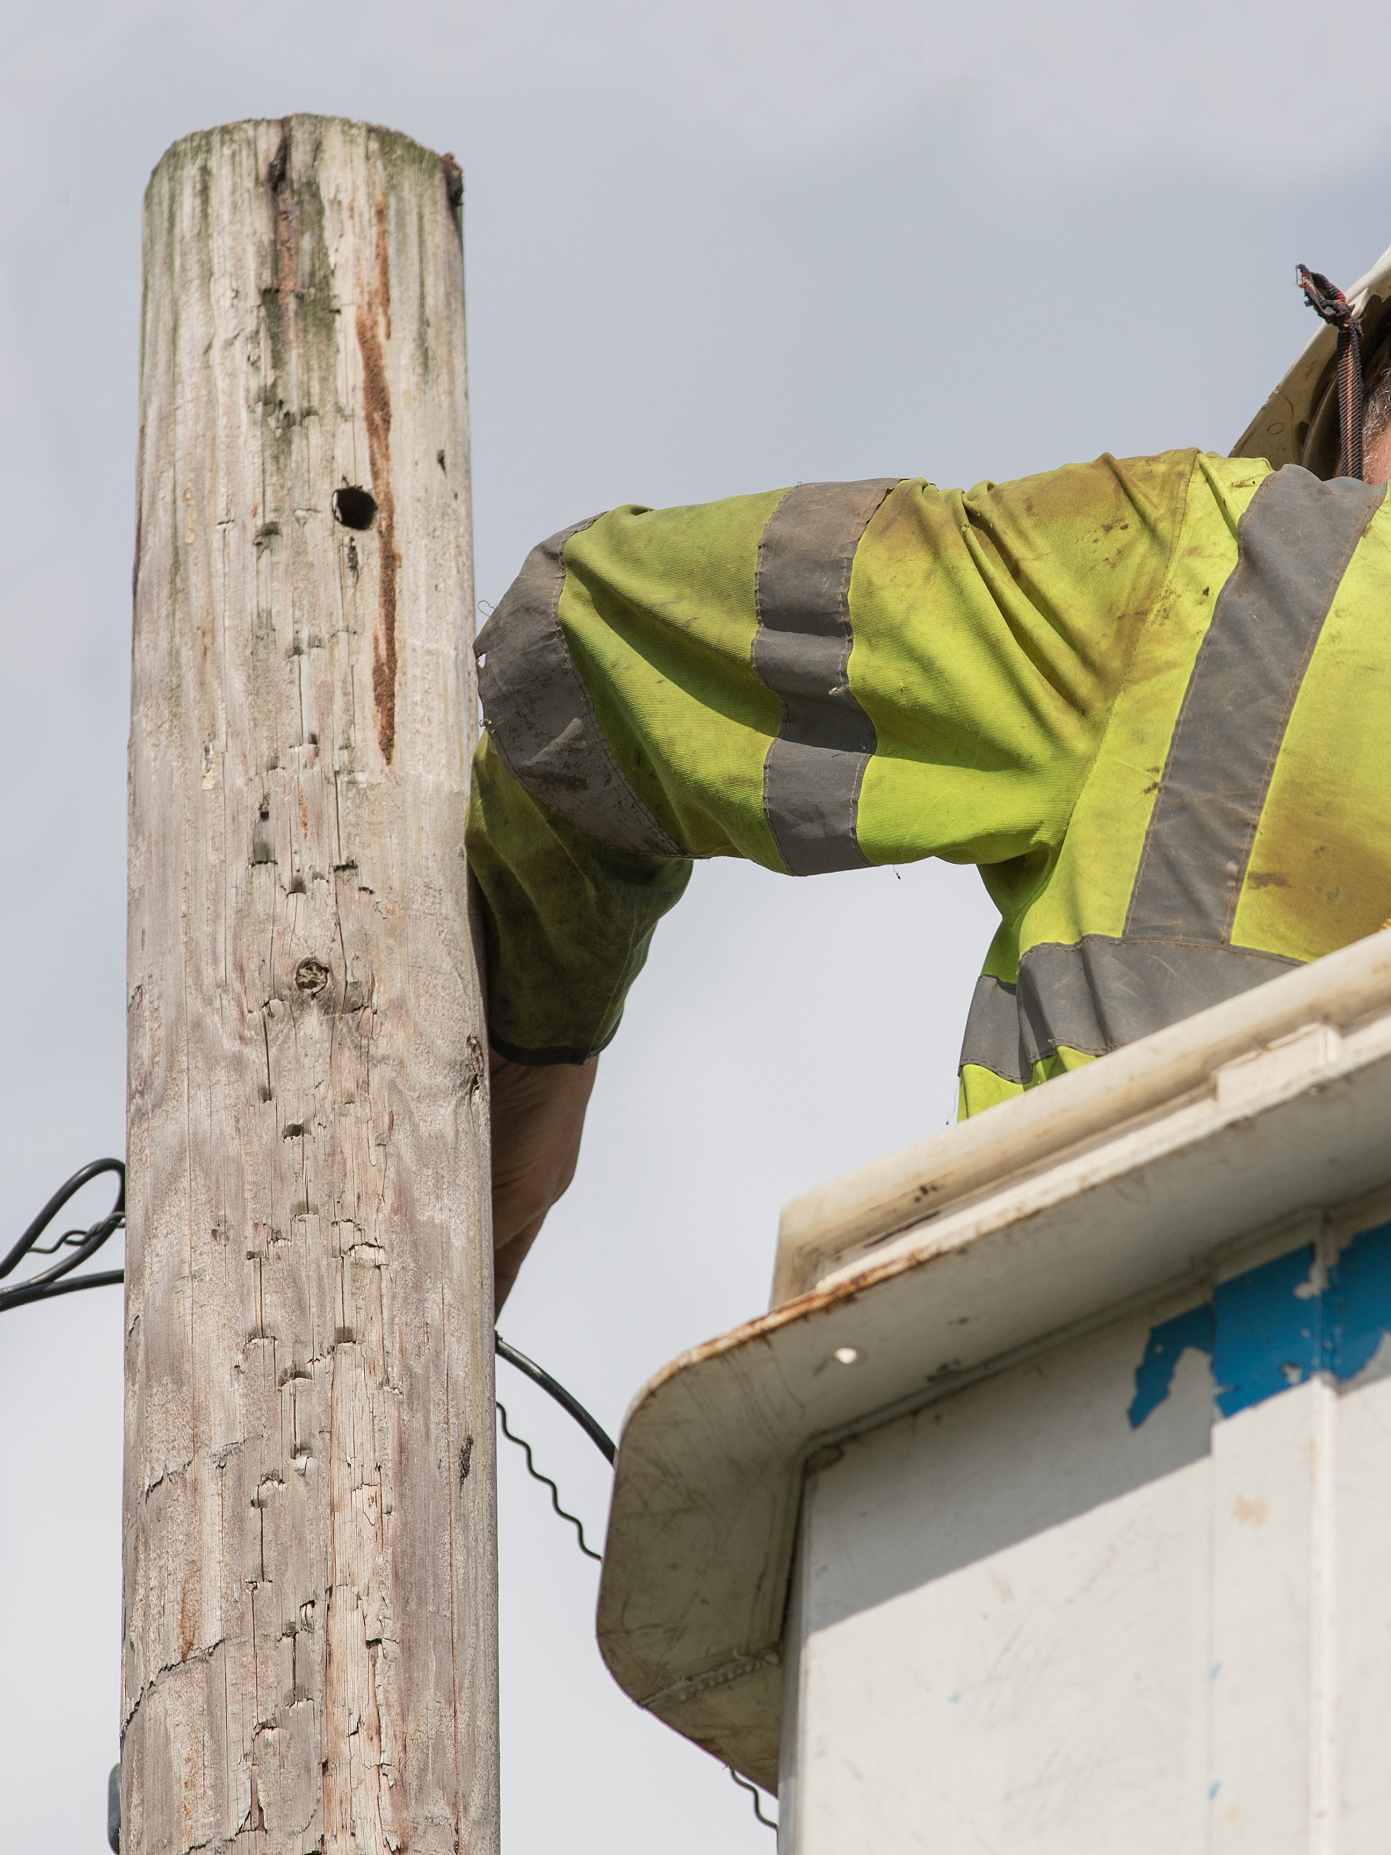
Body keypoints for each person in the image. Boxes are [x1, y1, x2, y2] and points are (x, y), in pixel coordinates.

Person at [474, 251, 1391, 1310]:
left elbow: (589, 632)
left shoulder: (1225, 573)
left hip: (1126, 1395)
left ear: (1355, 393)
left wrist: (530, 1062)